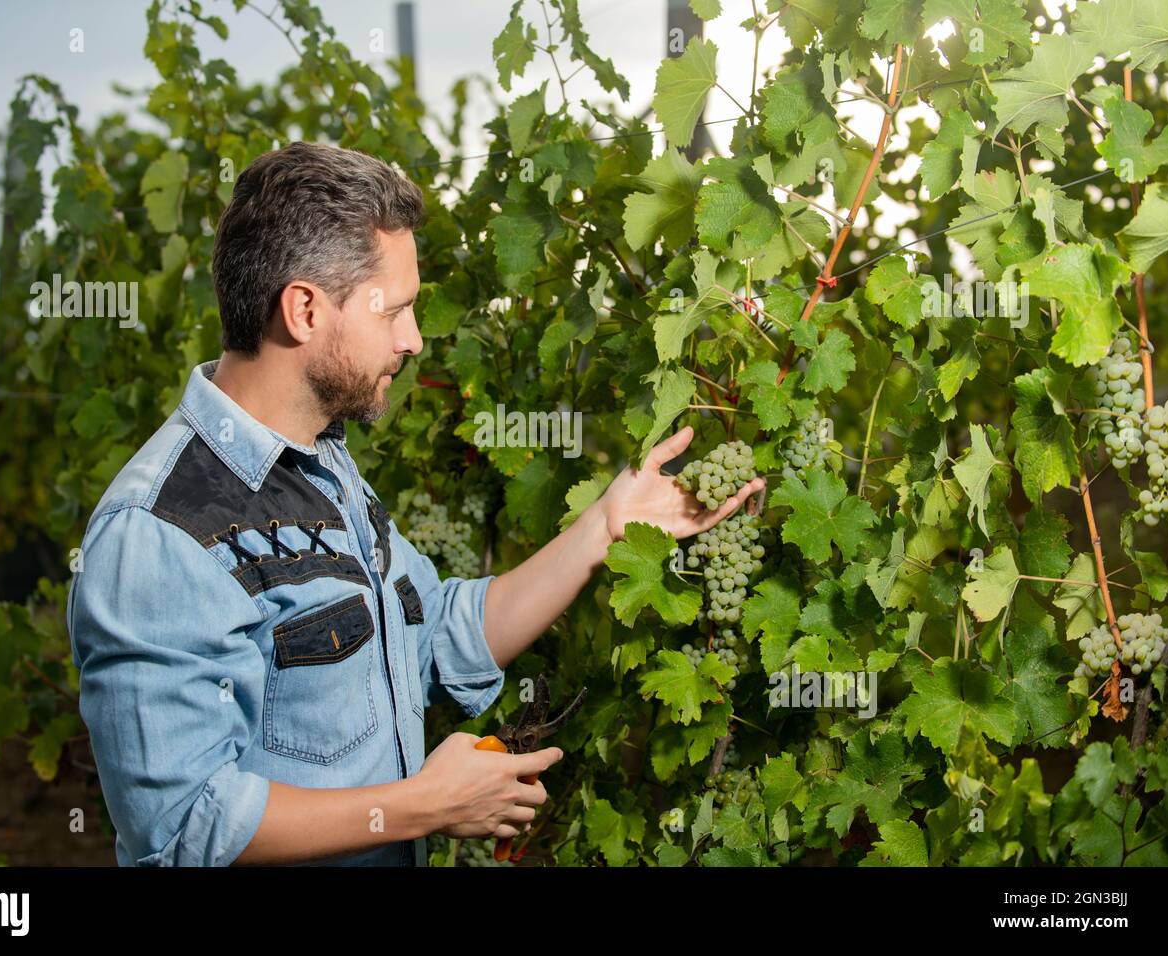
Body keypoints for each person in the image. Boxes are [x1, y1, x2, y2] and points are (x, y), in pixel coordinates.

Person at [66, 141, 765, 866]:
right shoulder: (159, 533)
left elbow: (433, 634)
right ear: (304, 309)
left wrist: (605, 527)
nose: (414, 339)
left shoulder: (324, 468)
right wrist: (423, 806)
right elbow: (180, 827)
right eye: (394, 310)